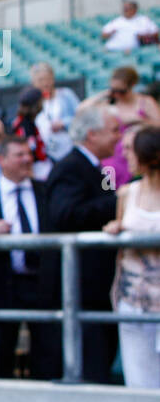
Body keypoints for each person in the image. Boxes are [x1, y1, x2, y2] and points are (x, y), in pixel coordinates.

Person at [0, 137, 62, 380]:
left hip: (43, 286)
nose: (27, 159)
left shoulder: (46, 191)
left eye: (29, 154)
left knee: (48, 351)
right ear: (2, 160)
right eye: (19, 155)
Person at [47, 104, 123, 383]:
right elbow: (65, 214)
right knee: (90, 362)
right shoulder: (70, 167)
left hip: (95, 285)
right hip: (81, 286)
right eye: (114, 130)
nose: (118, 137)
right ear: (92, 134)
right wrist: (117, 203)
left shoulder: (97, 169)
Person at [104, 125, 160, 388]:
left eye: (130, 149)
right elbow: (119, 225)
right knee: (140, 382)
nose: (124, 155)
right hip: (133, 301)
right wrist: (115, 229)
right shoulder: (127, 192)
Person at [83, 66, 160, 187]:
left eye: (121, 91)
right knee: (108, 193)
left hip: (138, 159)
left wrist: (139, 120)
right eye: (114, 90)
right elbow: (81, 110)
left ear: (132, 86)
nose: (117, 94)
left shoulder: (145, 102)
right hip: (112, 160)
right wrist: (104, 94)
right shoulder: (109, 103)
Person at [30, 62, 81, 162]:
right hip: (46, 154)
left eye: (48, 79)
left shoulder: (65, 94)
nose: (45, 83)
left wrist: (64, 123)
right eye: (40, 80)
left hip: (69, 148)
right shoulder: (33, 101)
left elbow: (81, 117)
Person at [11, 86, 52, 180]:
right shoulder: (24, 125)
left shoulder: (30, 122)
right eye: (41, 101)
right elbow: (28, 151)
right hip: (36, 171)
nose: (43, 104)